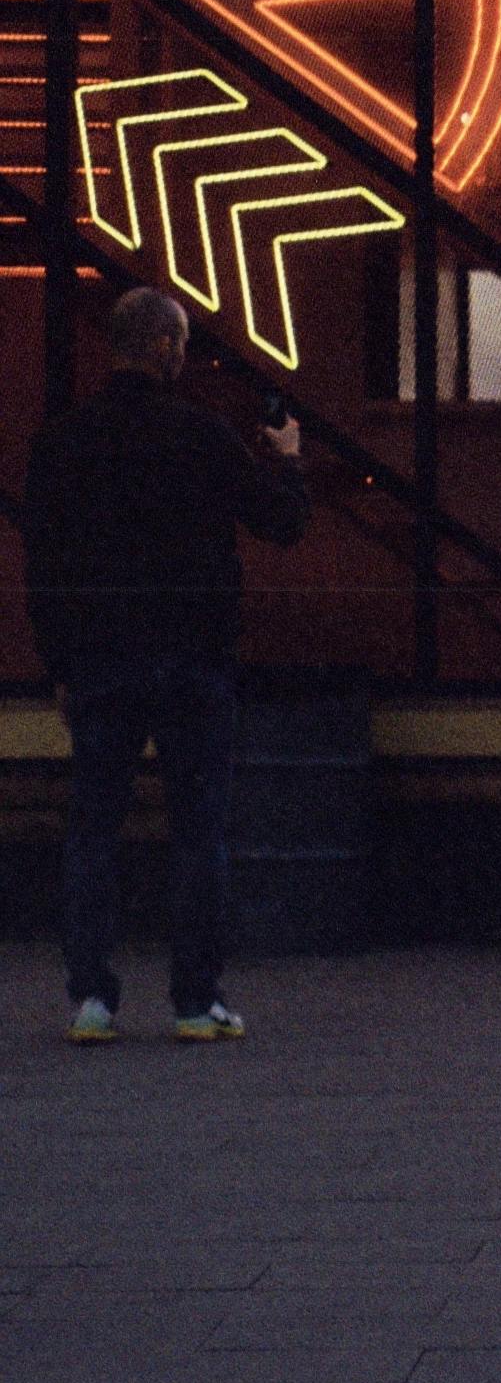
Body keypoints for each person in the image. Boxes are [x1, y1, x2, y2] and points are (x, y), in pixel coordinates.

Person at [18, 288, 308, 1044]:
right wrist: (288, 460)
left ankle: (91, 999)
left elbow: (42, 564)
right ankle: (194, 1001)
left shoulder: (63, 441)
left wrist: (59, 664)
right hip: (193, 658)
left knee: (93, 830)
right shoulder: (202, 435)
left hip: (100, 659)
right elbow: (281, 523)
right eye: (181, 343)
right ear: (165, 348)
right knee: (198, 832)